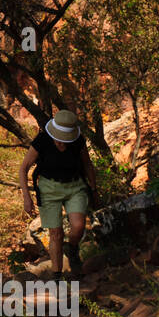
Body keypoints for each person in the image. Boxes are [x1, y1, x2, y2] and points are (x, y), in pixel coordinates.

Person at [19, 109, 99, 277]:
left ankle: (72, 248)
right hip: (49, 189)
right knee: (56, 233)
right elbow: (24, 168)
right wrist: (26, 197)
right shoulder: (42, 140)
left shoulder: (78, 141)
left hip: (74, 186)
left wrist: (93, 188)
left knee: (78, 226)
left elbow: (87, 164)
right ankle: (57, 276)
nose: (61, 143)